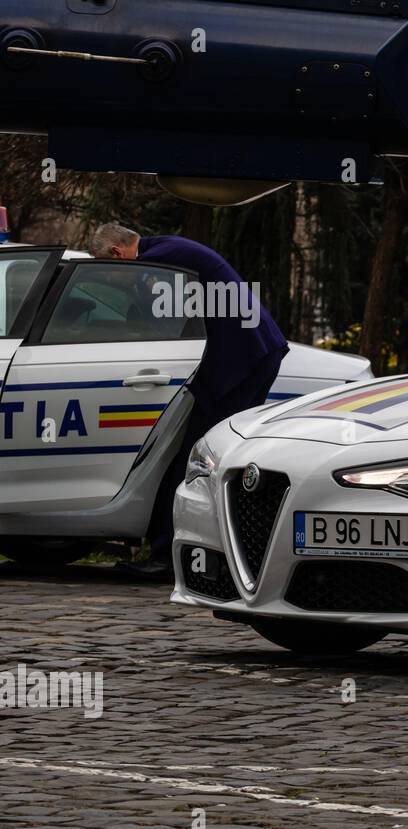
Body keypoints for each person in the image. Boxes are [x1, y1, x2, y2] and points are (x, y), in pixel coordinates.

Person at [89, 224, 289, 579]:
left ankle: (171, 555)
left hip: (240, 362)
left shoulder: (156, 263)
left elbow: (157, 319)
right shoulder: (167, 249)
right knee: (216, 458)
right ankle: (213, 551)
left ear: (118, 253)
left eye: (112, 271)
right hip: (250, 354)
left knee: (196, 458)